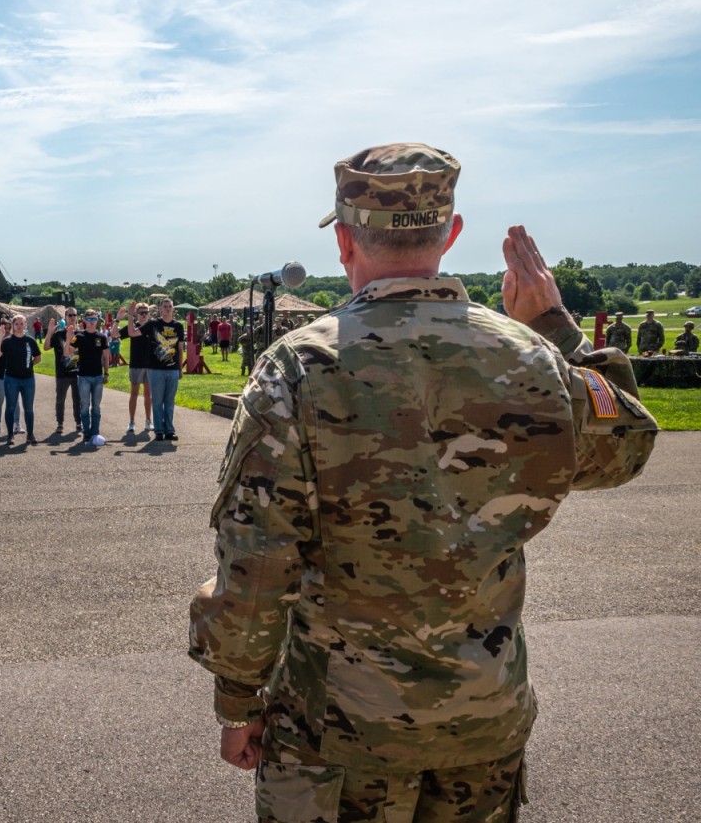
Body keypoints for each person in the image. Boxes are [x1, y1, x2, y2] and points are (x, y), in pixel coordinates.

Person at [188, 143, 658, 823]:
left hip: (336, 734)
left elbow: (257, 564)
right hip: (480, 726)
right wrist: (554, 328)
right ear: (452, 234)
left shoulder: (299, 367)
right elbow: (631, 443)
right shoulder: (530, 360)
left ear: (344, 242)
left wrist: (238, 701)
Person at [128, 297, 184, 441]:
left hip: (172, 370)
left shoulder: (178, 326)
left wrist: (180, 368)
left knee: (170, 402)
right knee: (157, 401)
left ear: (173, 308)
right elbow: (132, 333)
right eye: (164, 306)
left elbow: (179, 348)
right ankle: (159, 430)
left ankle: (169, 430)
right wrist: (130, 316)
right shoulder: (153, 324)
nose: (167, 308)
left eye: (169, 306)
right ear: (160, 308)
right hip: (156, 370)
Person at [0, 315, 42, 444]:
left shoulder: (31, 341)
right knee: (10, 407)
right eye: (17, 324)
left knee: (29, 408)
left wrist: (28, 365)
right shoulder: (8, 341)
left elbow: (38, 357)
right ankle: (10, 435)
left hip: (28, 380)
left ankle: (30, 435)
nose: (19, 326)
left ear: (26, 325)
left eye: (22, 323)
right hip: (11, 379)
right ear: (13, 326)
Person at [65, 309, 110, 446]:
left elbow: (106, 357)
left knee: (96, 407)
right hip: (83, 376)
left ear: (97, 320)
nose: (91, 322)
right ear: (84, 320)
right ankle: (86, 432)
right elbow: (67, 353)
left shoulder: (102, 337)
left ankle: (95, 432)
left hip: (97, 376)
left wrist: (106, 373)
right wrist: (68, 339)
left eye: (94, 319)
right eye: (89, 319)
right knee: (84, 406)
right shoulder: (78, 336)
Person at [116, 303, 154, 433]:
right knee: (134, 393)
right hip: (136, 364)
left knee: (148, 394)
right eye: (141, 312)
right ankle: (131, 421)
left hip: (150, 365)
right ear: (137, 314)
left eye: (146, 312)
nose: (144, 315)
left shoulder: (152, 326)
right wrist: (118, 319)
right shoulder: (133, 327)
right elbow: (115, 334)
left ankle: (148, 420)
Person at [45, 308, 82, 435]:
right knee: (60, 399)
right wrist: (50, 332)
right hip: (62, 373)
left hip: (77, 373)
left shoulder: (80, 334)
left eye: (74, 315)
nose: (72, 317)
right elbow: (46, 347)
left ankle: (78, 422)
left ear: (77, 317)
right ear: (65, 317)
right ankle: (60, 423)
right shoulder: (58, 334)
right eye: (70, 315)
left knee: (78, 400)